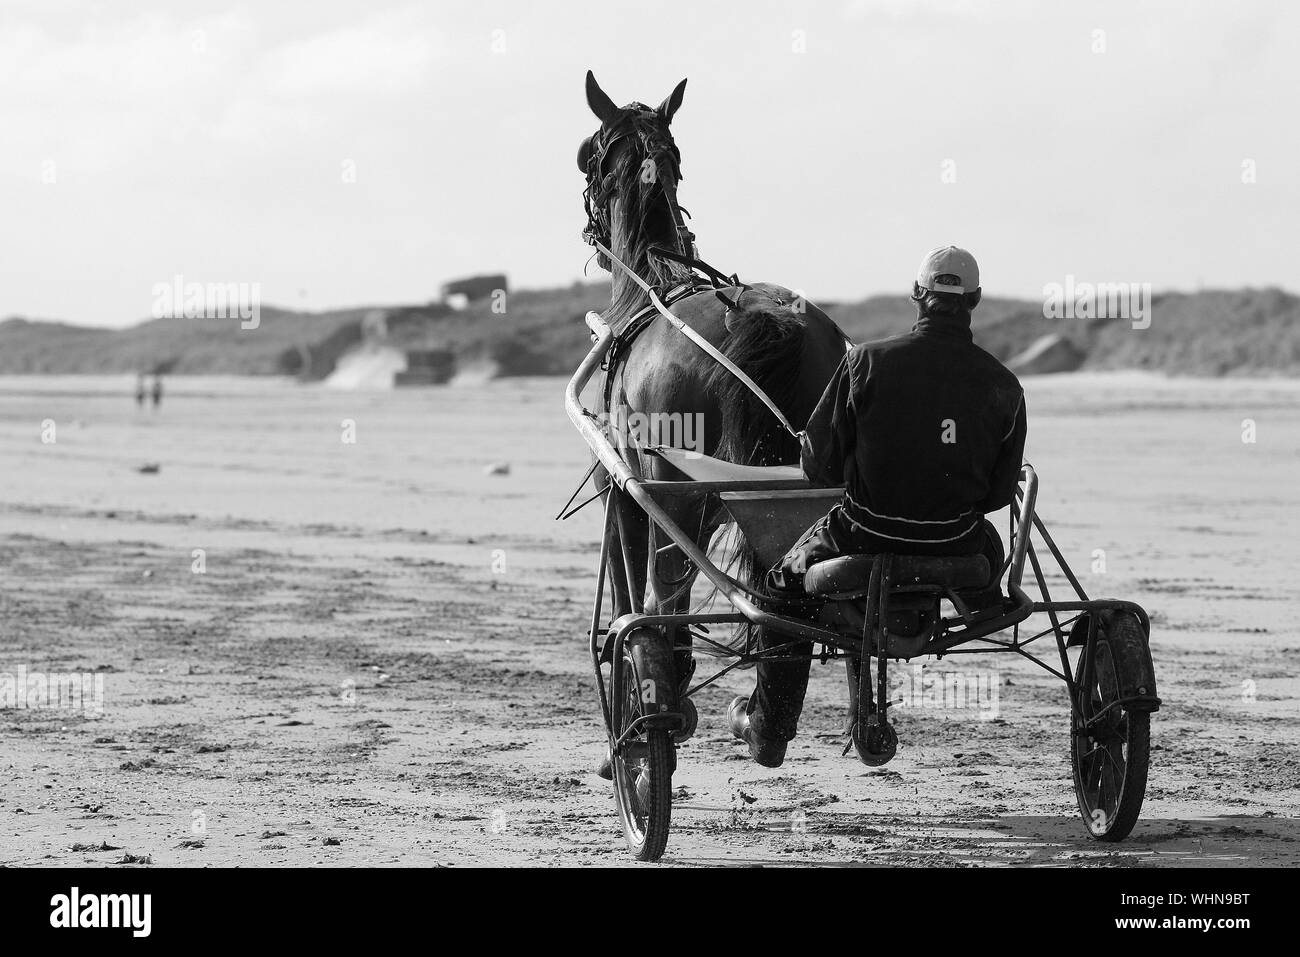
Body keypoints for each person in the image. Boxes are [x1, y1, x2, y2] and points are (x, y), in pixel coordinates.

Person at [728, 246, 1028, 767]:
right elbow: (999, 497)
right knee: (990, 545)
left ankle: (771, 732)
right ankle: (972, 605)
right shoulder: (1005, 385)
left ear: (918, 296)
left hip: (860, 539)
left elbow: (819, 468)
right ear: (975, 300)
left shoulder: (865, 363)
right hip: (959, 548)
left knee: (775, 589)